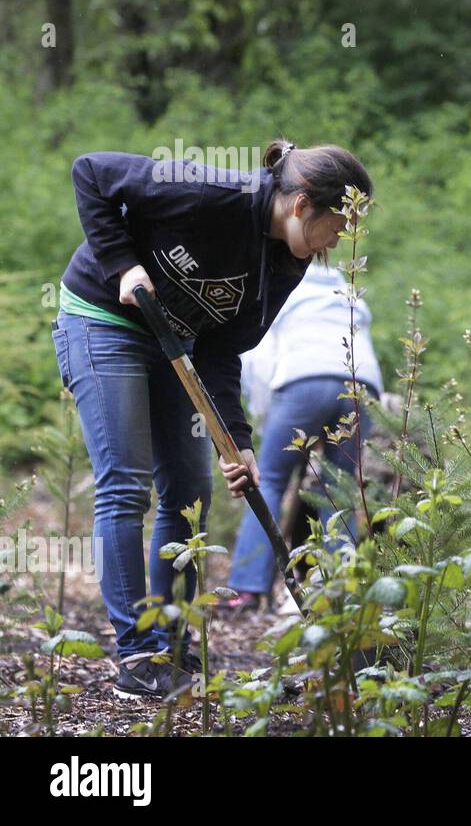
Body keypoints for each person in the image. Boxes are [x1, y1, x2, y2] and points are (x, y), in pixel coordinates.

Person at [52, 141, 374, 697]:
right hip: (104, 321)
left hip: (176, 342)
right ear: (301, 205)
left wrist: (238, 441)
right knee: (126, 485)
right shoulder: (207, 192)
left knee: (189, 493)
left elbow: (223, 350)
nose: (339, 241)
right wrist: (124, 265)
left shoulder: (287, 262)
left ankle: (175, 651)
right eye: (338, 226)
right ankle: (137, 655)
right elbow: (92, 173)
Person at [224, 260, 384, 611]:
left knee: (269, 479)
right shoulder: (350, 294)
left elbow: (259, 361)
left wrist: (266, 419)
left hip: (301, 382)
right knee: (339, 487)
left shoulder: (279, 288)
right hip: (361, 384)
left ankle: (248, 588)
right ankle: (340, 590)